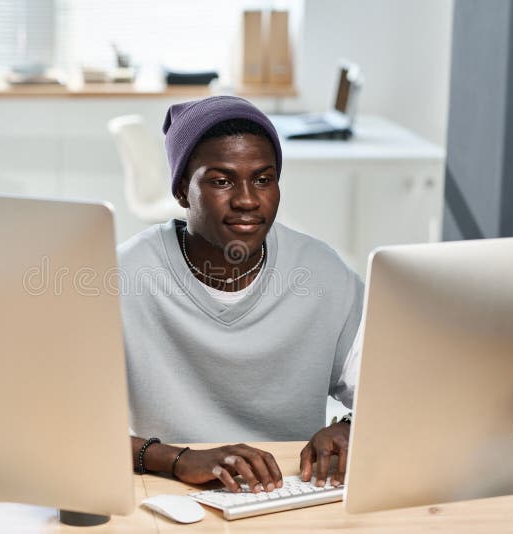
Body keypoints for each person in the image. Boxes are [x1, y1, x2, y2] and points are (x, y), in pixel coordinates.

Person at [118, 96, 363, 493]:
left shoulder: (322, 273)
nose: (248, 200)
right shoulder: (124, 274)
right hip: (169, 495)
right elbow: (62, 423)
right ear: (182, 191)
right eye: (221, 181)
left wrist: (352, 429)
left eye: (264, 179)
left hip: (289, 493)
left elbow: (394, 394)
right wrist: (178, 459)